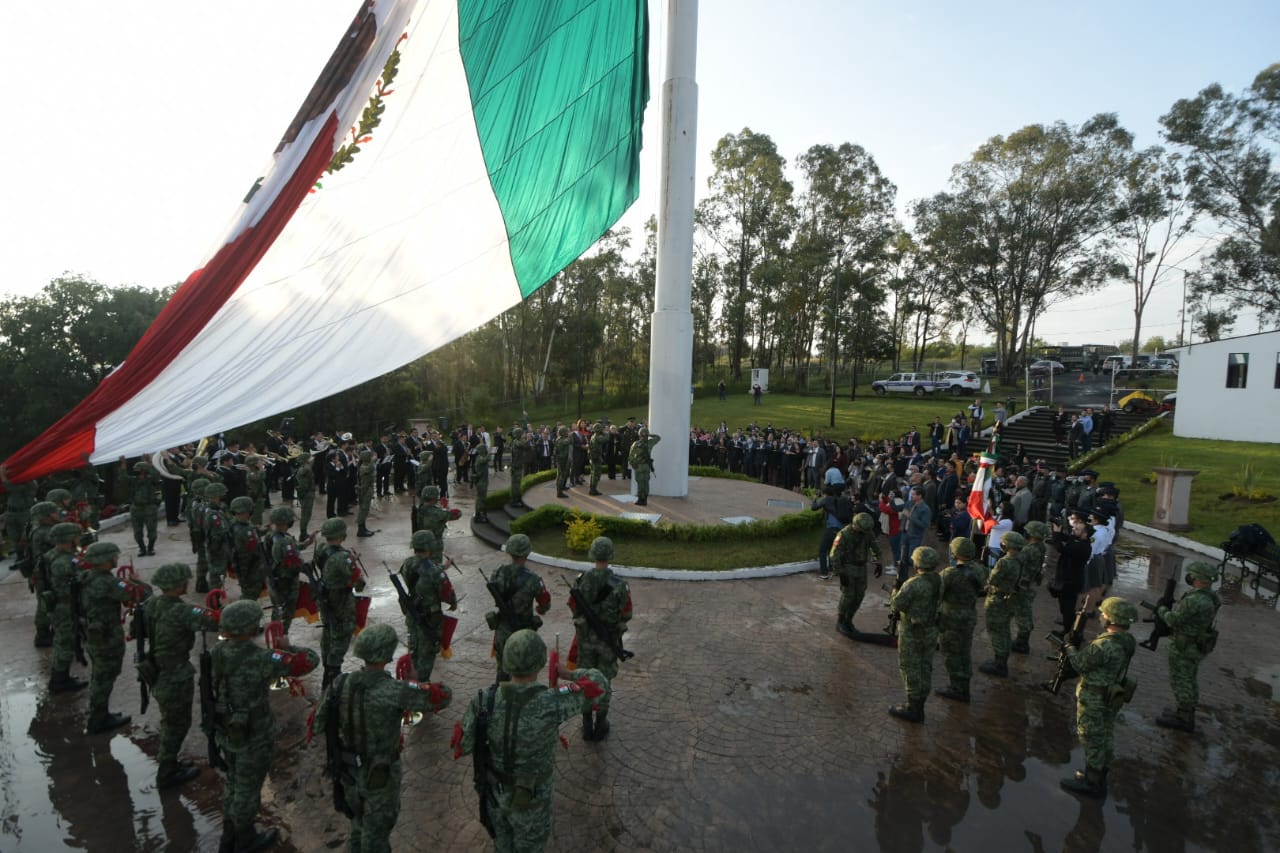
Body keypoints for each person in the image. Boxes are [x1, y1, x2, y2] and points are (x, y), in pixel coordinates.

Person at [453, 629, 608, 853]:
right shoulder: (550, 703)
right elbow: (600, 683)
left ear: (505, 661)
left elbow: (462, 746)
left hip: (495, 796)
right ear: (540, 662)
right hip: (532, 802)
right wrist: (567, 673)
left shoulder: (484, 701)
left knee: (502, 846)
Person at [316, 623, 451, 853]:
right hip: (379, 776)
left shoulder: (339, 684)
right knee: (376, 835)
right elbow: (443, 696)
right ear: (387, 655)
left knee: (358, 823)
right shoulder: (394, 690)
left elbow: (319, 723)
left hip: (347, 773)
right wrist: (414, 682)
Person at [211, 599, 319, 852]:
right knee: (249, 785)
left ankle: (230, 833)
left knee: (235, 779)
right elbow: (309, 661)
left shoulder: (217, 652)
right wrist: (287, 647)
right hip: (253, 730)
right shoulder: (261, 657)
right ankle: (245, 839)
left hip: (226, 726)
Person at [142, 562, 221, 788]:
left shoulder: (151, 604)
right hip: (175, 674)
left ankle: (170, 763)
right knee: (176, 724)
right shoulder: (183, 611)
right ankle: (167, 772)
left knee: (171, 721)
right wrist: (223, 608)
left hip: (156, 669)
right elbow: (216, 621)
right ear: (177, 586)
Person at [1060, 596, 1138, 799]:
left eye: (1104, 614)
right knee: (1105, 735)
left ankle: (1092, 783)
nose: (1101, 617)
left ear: (1111, 619)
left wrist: (1069, 647)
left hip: (1094, 697)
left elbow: (1079, 664)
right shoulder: (1126, 641)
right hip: (1110, 696)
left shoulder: (1104, 646)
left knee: (1091, 737)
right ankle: (1099, 774)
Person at [80, 541, 151, 733]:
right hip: (106, 635)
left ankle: (100, 714)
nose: (116, 559)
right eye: (113, 556)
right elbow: (142, 594)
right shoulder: (107, 582)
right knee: (105, 678)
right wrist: (137, 581)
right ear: (104, 560)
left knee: (99, 676)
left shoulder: (87, 577)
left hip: (93, 633)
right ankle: (98, 720)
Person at [568, 537, 633, 740]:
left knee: (586, 678)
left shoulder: (581, 580)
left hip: (586, 641)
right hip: (608, 642)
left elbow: (573, 606)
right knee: (604, 680)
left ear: (592, 555)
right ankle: (600, 723)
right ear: (610, 556)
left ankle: (586, 724)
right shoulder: (620, 585)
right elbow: (627, 613)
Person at [1154, 561, 1222, 733]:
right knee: (1190, 680)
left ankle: (1185, 719)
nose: (1189, 577)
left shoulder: (1195, 600)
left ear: (1198, 578)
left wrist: (1161, 609)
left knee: (1181, 681)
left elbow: (1174, 620)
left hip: (1184, 646)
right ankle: (1184, 712)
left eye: (1192, 574)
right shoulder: (1210, 597)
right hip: (1195, 645)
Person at [888, 547, 943, 723]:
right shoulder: (939, 580)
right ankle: (920, 703)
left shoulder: (913, 584)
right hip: (930, 630)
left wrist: (895, 590)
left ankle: (913, 708)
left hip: (912, 632)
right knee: (924, 667)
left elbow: (897, 605)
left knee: (910, 667)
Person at [487, 534, 552, 681]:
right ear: (527, 553)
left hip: (502, 630)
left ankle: (501, 698)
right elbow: (544, 604)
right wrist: (540, 610)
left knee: (502, 670)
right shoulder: (534, 580)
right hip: (523, 632)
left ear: (510, 552)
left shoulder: (497, 574)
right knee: (524, 671)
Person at [936, 538, 987, 702]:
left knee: (951, 652)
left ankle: (957, 689)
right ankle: (964, 684)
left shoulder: (950, 573)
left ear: (955, 553)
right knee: (964, 651)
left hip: (951, 617)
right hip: (969, 615)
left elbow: (937, 593)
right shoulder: (980, 570)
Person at [319, 518, 367, 690]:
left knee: (328, 634)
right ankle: (332, 677)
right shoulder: (342, 557)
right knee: (340, 637)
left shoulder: (321, 549)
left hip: (326, 599)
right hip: (340, 602)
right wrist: (352, 563)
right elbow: (359, 584)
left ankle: (328, 671)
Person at [405, 530, 457, 681]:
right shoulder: (434, 572)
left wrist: (442, 567)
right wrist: (453, 603)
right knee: (427, 653)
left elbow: (423, 573)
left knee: (414, 647)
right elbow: (447, 593)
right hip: (430, 618)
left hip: (413, 613)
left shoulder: (408, 564)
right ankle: (422, 685)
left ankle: (413, 679)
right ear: (430, 546)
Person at [46, 521, 91, 693]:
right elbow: (81, 580)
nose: (79, 539)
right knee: (65, 643)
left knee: (63, 641)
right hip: (65, 607)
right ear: (69, 539)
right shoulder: (64, 561)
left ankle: (61, 677)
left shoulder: (52, 554)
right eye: (76, 536)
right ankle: (59, 681)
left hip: (59, 604)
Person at [978, 531, 1026, 678]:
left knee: (996, 630)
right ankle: (1002, 659)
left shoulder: (1005, 562)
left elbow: (992, 580)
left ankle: (999, 664)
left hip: (998, 599)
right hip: (1010, 598)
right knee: (1004, 630)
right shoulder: (1020, 558)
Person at [831, 513, 882, 637]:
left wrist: (878, 562)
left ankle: (849, 620)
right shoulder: (844, 534)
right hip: (848, 567)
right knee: (848, 596)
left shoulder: (867, 532)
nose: (865, 532)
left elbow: (875, 547)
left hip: (861, 568)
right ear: (856, 525)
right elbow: (834, 555)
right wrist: (840, 572)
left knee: (859, 596)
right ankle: (841, 621)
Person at [267, 506, 312, 637]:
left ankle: (276, 634)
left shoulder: (273, 536)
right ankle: (280, 637)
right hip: (285, 581)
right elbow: (293, 563)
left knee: (277, 608)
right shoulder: (284, 541)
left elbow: (292, 548)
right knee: (286, 612)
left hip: (274, 578)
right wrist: (306, 567)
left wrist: (307, 543)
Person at [1012, 521, 1050, 654]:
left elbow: (1019, 562)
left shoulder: (1030, 549)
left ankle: (1022, 643)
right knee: (1025, 612)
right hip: (1031, 583)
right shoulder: (1040, 546)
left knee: (1022, 614)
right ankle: (1022, 640)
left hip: (1025, 585)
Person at [229, 496, 268, 603]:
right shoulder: (244, 531)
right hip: (250, 569)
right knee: (250, 595)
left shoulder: (237, 523)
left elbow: (254, 532)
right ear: (246, 511)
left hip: (247, 567)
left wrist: (265, 529)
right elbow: (248, 553)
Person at [812, 484, 847, 580]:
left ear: (825, 494)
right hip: (841, 530)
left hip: (831, 528)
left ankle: (824, 573)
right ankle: (833, 569)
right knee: (833, 549)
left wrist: (814, 498)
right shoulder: (838, 499)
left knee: (822, 550)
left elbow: (814, 507)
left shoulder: (826, 499)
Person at [130, 460, 162, 556]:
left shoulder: (151, 480)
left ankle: (151, 548)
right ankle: (142, 548)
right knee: (137, 531)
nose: (136, 472)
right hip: (136, 508)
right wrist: (123, 466)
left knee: (152, 529)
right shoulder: (134, 480)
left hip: (149, 508)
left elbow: (156, 475)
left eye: (139, 470)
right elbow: (122, 478)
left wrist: (150, 465)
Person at [900, 487, 932, 572]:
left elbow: (925, 525)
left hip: (915, 536)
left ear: (920, 496)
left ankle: (917, 575)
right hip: (905, 533)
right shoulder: (910, 504)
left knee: (913, 559)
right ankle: (902, 577)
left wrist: (911, 517)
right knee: (903, 558)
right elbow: (901, 512)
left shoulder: (925, 509)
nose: (911, 496)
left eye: (913, 494)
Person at [629, 428, 661, 507]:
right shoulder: (650, 442)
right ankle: (645, 499)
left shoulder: (635, 444)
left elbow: (631, 457)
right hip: (647, 466)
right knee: (646, 482)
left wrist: (634, 465)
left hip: (639, 466)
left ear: (639, 435)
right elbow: (658, 437)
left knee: (640, 483)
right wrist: (649, 435)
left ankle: (640, 499)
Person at [508, 427, 532, 509]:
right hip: (516, 466)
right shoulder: (518, 442)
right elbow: (527, 445)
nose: (523, 435)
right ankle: (514, 501)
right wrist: (528, 438)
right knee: (516, 485)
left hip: (516, 465)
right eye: (521, 433)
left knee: (516, 484)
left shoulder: (515, 441)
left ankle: (516, 499)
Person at [357, 449, 376, 538]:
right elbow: (371, 468)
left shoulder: (366, 465)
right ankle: (360, 530)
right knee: (363, 510)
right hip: (365, 490)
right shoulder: (365, 467)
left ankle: (363, 528)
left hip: (367, 489)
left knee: (365, 510)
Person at [471, 442, 491, 523]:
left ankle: (480, 514)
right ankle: (479, 516)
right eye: (485, 449)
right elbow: (487, 459)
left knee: (481, 498)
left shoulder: (479, 457)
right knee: (481, 499)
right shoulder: (480, 459)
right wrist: (489, 453)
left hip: (483, 481)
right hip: (481, 482)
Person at [588, 422, 610, 496]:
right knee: (596, 474)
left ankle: (592, 489)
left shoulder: (593, 436)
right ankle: (593, 490)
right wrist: (605, 432)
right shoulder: (597, 437)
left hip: (593, 457)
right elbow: (607, 439)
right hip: (596, 458)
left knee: (592, 473)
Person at [553, 426, 572, 498]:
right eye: (566, 432)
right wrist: (570, 435)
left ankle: (561, 488)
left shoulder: (559, 439)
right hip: (562, 460)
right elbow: (569, 441)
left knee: (561, 475)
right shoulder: (562, 440)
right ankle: (559, 492)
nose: (567, 433)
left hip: (562, 459)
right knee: (561, 476)